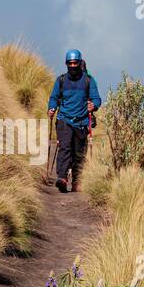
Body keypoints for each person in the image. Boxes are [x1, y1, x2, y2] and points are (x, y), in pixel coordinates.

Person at [47, 49, 101, 193]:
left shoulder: (89, 80)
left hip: (82, 122)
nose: (72, 66)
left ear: (79, 63)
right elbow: (54, 97)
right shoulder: (61, 80)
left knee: (79, 153)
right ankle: (62, 178)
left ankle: (77, 181)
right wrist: (52, 108)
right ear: (66, 64)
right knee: (65, 148)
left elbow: (96, 99)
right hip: (64, 119)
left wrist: (93, 105)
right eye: (69, 63)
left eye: (74, 63)